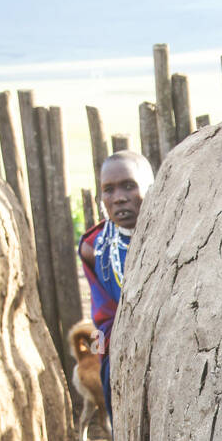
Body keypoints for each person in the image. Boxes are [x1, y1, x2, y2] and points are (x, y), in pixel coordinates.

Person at [78, 150, 154, 422]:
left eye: (129, 186)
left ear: (151, 187)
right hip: (118, 353)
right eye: (108, 190)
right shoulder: (93, 247)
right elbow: (104, 315)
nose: (119, 197)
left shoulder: (172, 234)